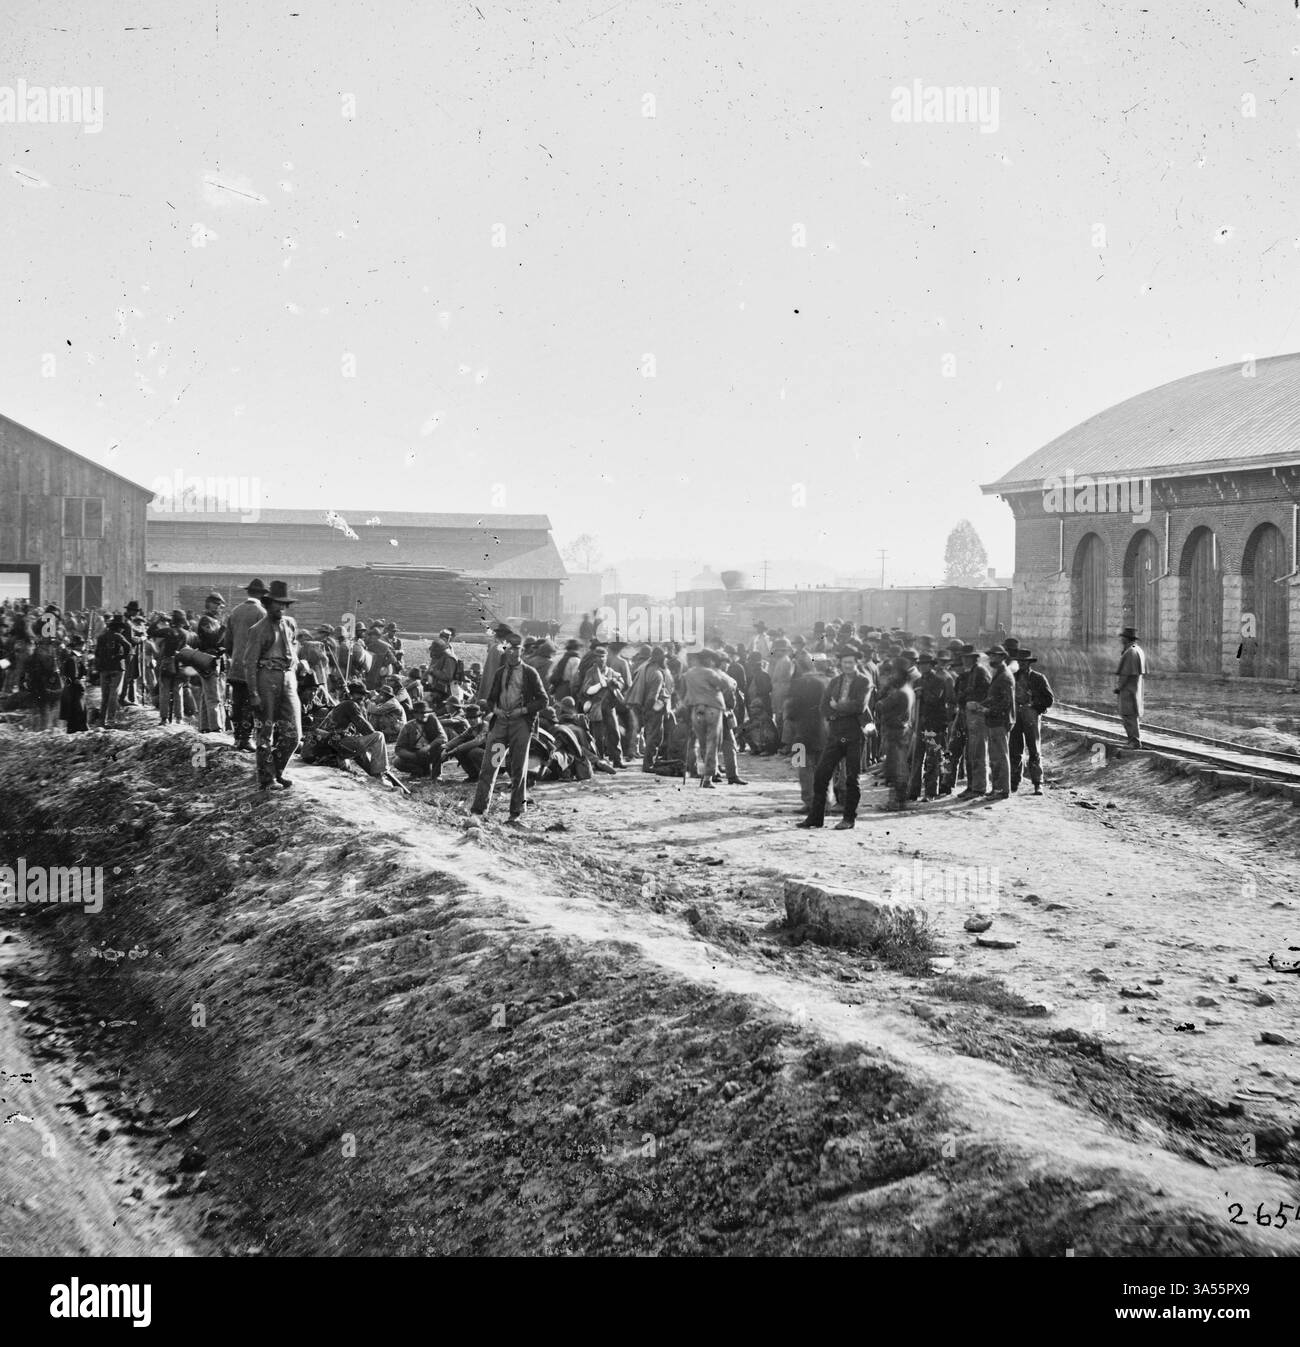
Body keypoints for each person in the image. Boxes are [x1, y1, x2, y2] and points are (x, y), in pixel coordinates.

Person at [470, 638, 549, 825]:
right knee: (490, 765)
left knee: (518, 769)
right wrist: (495, 710)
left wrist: (522, 710)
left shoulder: (530, 673)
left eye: (516, 650)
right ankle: (479, 810)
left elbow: (543, 700)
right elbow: (490, 700)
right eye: (509, 650)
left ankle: (516, 812)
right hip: (501, 726)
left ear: (521, 651)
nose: (512, 653)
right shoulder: (499, 673)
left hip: (520, 725)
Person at [799, 648, 871, 828]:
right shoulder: (835, 681)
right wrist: (835, 714)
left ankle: (849, 819)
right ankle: (816, 817)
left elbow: (860, 707)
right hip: (836, 733)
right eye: (845, 662)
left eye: (851, 663)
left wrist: (837, 706)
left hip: (854, 734)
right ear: (840, 663)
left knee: (852, 778)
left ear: (857, 664)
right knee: (821, 774)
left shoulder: (864, 682)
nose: (848, 666)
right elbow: (824, 706)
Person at [241, 580, 301, 791]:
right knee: (265, 732)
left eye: (285, 604)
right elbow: (249, 663)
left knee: (294, 734)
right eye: (278, 604)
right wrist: (254, 693)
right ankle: (267, 779)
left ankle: (278, 770)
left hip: (288, 678)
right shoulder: (258, 629)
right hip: (266, 679)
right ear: (267, 604)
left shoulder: (290, 623)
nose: (281, 608)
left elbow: (294, 647)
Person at [224, 579, 268, 751]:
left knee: (237, 702)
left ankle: (237, 737)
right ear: (262, 595)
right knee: (250, 703)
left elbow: (227, 642)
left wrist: (234, 655)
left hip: (235, 666)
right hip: (253, 667)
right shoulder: (261, 613)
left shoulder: (235, 612)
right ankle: (245, 738)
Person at [680, 649, 734, 788]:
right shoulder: (710, 673)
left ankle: (706, 772)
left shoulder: (688, 674)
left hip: (696, 710)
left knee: (703, 744)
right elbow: (727, 685)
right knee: (713, 743)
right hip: (713, 709)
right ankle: (708, 777)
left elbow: (683, 695)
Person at [1010, 649, 1053, 795]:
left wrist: (1034, 706)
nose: (1022, 664)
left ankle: (1038, 783)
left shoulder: (1038, 678)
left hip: (1031, 716)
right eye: (1020, 662)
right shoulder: (1012, 677)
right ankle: (1014, 782)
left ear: (1029, 663)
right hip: (1016, 716)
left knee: (1034, 750)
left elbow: (1049, 699)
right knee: (1015, 749)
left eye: (1024, 662)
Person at [957, 645, 991, 800]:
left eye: (967, 657)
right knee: (971, 752)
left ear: (974, 658)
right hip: (970, 715)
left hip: (977, 716)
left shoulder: (980, 672)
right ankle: (972, 786)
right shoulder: (973, 672)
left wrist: (976, 704)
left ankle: (979, 787)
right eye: (963, 657)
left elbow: (987, 694)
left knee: (978, 752)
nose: (964, 660)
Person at [983, 645, 1016, 800]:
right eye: (991, 656)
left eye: (995, 656)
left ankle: (1002, 790)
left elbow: (1006, 702)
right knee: (995, 756)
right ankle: (997, 788)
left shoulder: (1004, 676)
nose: (992, 659)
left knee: (1000, 756)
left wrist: (988, 710)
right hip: (995, 721)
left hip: (1000, 721)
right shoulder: (1000, 674)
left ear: (1003, 657)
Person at [193, 591, 227, 732]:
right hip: (209, 660)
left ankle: (205, 726)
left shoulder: (213, 621)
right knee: (214, 697)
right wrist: (224, 629)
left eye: (220, 605)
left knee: (206, 695)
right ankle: (216, 727)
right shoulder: (206, 621)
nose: (219, 608)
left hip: (214, 660)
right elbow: (213, 640)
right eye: (217, 604)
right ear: (210, 605)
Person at [93, 618, 133, 728]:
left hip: (104, 668)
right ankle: (111, 719)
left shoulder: (101, 637)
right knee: (113, 694)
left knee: (104, 695)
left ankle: (102, 720)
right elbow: (128, 646)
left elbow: (96, 653)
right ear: (118, 628)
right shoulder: (118, 636)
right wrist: (121, 657)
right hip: (117, 667)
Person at [394, 701, 448, 778]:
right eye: (421, 713)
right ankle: (419, 771)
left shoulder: (433, 720)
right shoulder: (408, 726)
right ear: (415, 714)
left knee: (440, 748)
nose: (424, 715)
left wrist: (428, 747)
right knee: (397, 762)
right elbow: (399, 748)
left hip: (431, 752)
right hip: (415, 754)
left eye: (426, 712)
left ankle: (436, 775)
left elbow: (443, 737)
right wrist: (413, 756)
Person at [1116, 627, 1146, 748]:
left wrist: (1119, 687)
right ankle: (1133, 740)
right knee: (1132, 714)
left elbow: (1125, 673)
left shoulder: (1130, 652)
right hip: (1135, 688)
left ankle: (1134, 741)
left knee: (1128, 715)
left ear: (1126, 638)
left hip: (1128, 689)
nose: (1121, 639)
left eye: (1122, 637)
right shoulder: (1137, 650)